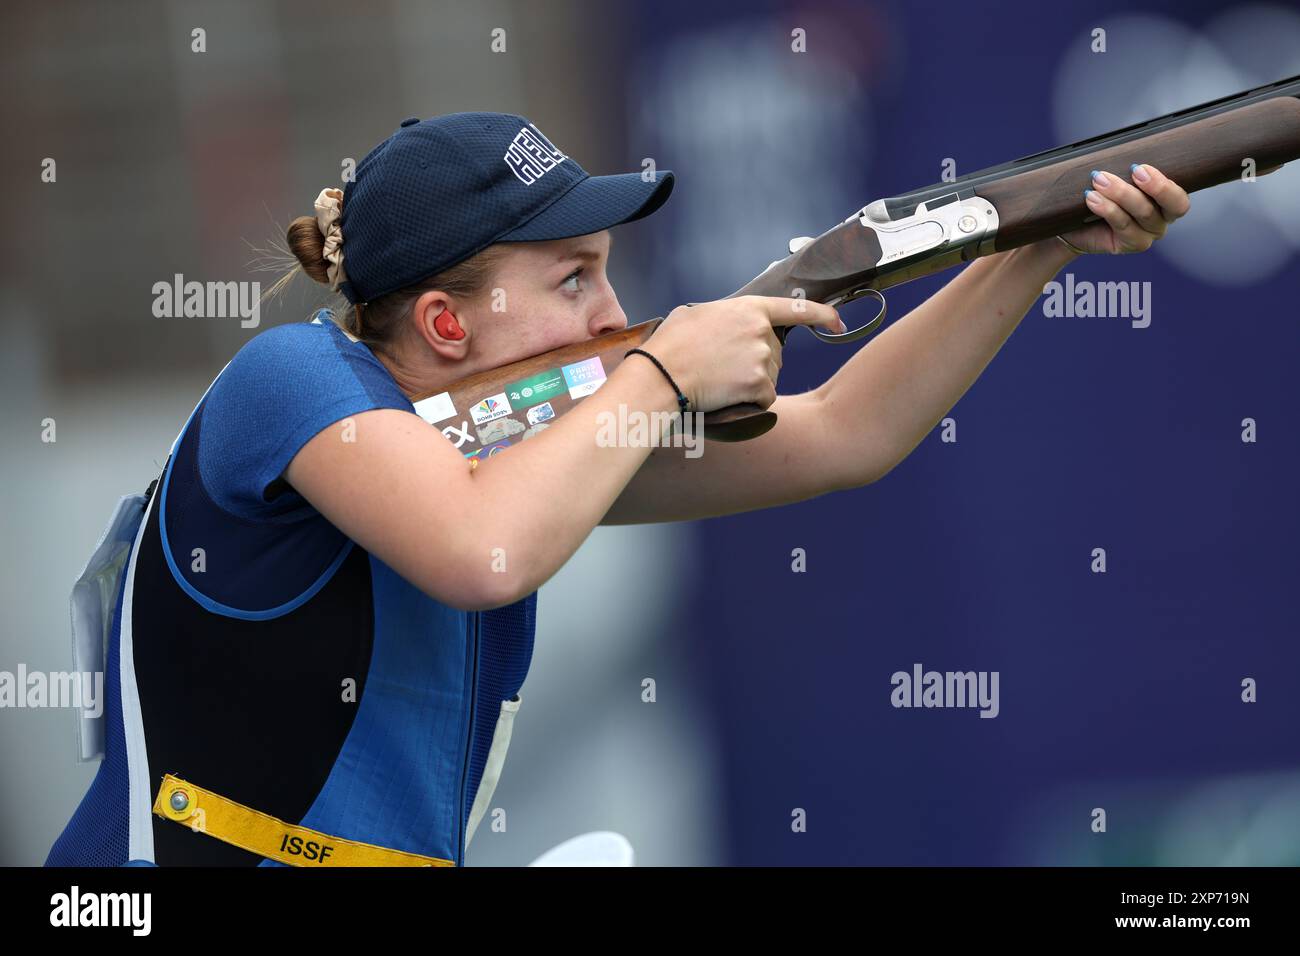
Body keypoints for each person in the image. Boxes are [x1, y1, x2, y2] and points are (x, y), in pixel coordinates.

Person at [45, 113, 1189, 867]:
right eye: (573, 278)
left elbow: (849, 431)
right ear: (445, 322)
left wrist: (1035, 247)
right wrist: (658, 371)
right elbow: (482, 551)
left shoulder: (525, 446)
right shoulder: (287, 377)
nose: (609, 311)